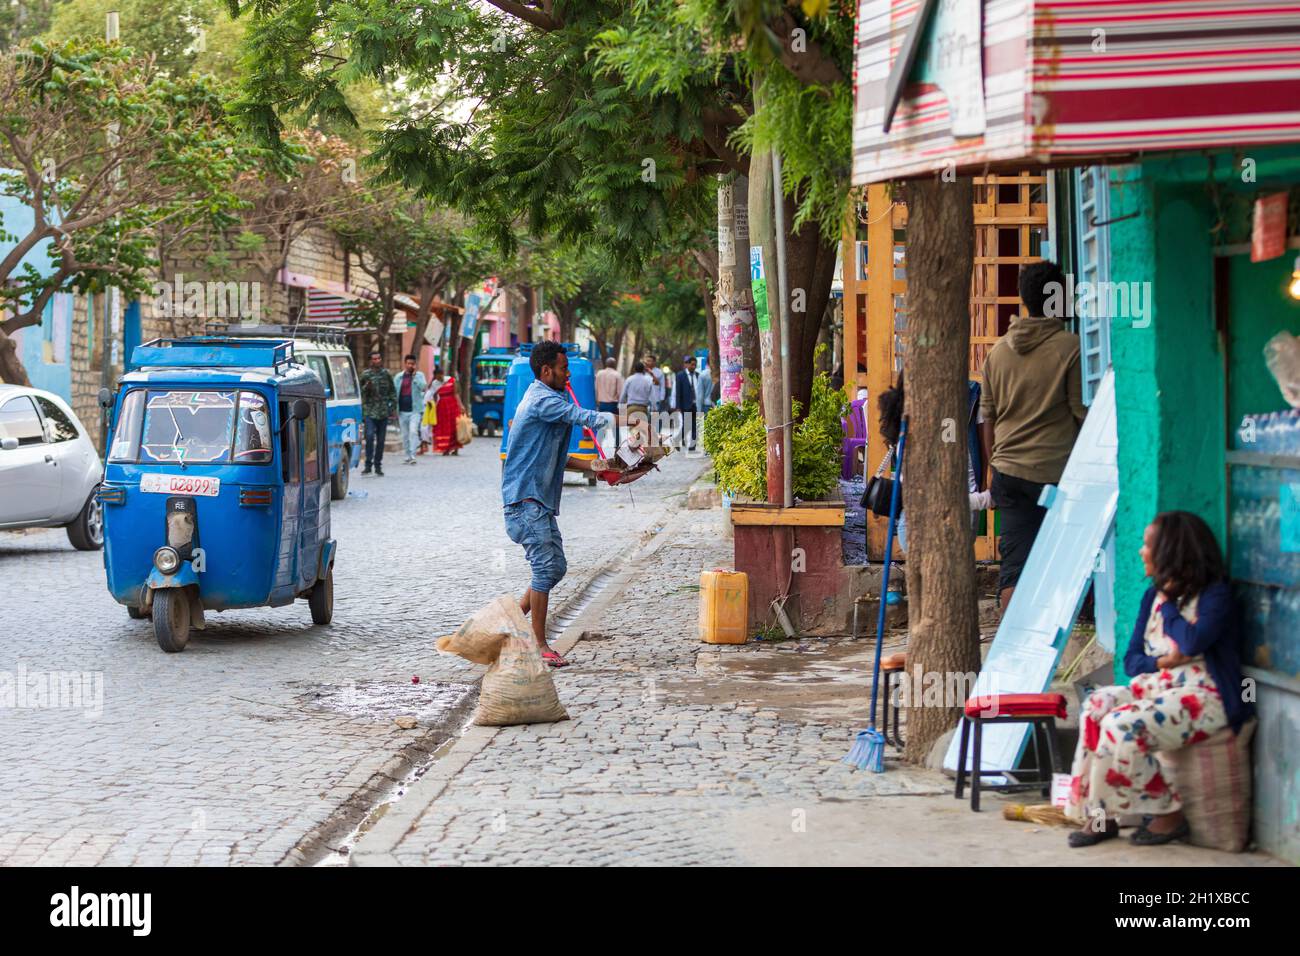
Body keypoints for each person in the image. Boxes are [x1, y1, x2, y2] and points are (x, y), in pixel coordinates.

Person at [1065, 511, 1252, 848]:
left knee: (1122, 724)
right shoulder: (1151, 596)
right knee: (1095, 707)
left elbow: (1194, 642)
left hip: (1207, 697)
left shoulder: (1215, 595)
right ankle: (1100, 816)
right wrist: (1164, 660)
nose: (1140, 551)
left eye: (1147, 544)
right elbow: (1134, 661)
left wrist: (1168, 606)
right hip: (1158, 687)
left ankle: (1168, 813)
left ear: (1171, 551)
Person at [980, 260, 1087, 614]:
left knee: (1014, 567)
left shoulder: (997, 353)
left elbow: (987, 417)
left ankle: (1013, 650)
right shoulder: (1070, 348)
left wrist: (992, 467)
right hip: (1054, 474)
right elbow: (1079, 412)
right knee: (1064, 559)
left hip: (1008, 473)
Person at [501, 341, 610, 668]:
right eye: (564, 369)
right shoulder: (541, 400)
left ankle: (512, 623)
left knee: (555, 568)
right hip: (525, 501)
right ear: (546, 371)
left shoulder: (550, 397)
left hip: (538, 501)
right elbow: (581, 416)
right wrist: (622, 422)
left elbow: (559, 458)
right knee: (545, 569)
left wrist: (596, 468)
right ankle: (538, 643)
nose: (568, 376)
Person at [359, 350, 396, 476]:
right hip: (370, 412)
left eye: (378, 358)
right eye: (374, 359)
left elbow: (392, 392)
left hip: (383, 412)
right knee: (369, 437)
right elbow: (360, 393)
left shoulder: (386, 374)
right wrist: (366, 387)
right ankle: (368, 465)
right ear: (370, 361)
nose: (376, 361)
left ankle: (378, 465)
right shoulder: (365, 375)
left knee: (381, 441)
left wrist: (392, 407)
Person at [393, 354, 427, 464]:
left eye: (412, 364)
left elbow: (423, 387)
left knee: (413, 431)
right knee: (405, 435)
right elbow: (394, 392)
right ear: (405, 364)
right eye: (408, 363)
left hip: (415, 410)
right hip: (402, 410)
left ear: (415, 365)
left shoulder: (420, 375)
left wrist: (415, 377)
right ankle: (407, 455)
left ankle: (413, 455)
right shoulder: (398, 377)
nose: (410, 366)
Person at [620, 360, 654, 446]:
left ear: (635, 369)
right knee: (642, 427)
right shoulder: (648, 380)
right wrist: (654, 407)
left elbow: (623, 394)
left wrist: (621, 404)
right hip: (643, 408)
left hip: (631, 408)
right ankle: (641, 445)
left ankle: (637, 440)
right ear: (643, 369)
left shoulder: (629, 379)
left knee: (632, 427)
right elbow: (652, 396)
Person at [673, 355, 700, 450]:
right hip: (685, 405)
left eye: (695, 365)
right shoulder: (680, 375)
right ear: (687, 364)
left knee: (695, 425)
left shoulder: (697, 375)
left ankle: (691, 445)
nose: (693, 366)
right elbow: (678, 392)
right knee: (688, 425)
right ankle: (677, 439)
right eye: (692, 364)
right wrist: (678, 406)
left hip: (696, 404)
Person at [433, 374, 464, 456]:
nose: (439, 379)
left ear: (443, 374)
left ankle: (456, 448)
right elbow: (433, 394)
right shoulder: (435, 383)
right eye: (437, 377)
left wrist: (461, 405)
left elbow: (456, 393)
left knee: (454, 427)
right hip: (441, 408)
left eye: (440, 377)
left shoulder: (451, 380)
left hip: (453, 406)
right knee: (444, 428)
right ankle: (445, 449)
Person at [595, 357, 623, 446]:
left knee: (601, 427)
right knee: (616, 426)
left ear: (606, 364)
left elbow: (596, 389)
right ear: (614, 364)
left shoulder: (599, 374)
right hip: (613, 405)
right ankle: (617, 447)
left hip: (602, 405)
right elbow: (620, 392)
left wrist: (597, 401)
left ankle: (598, 446)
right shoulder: (617, 375)